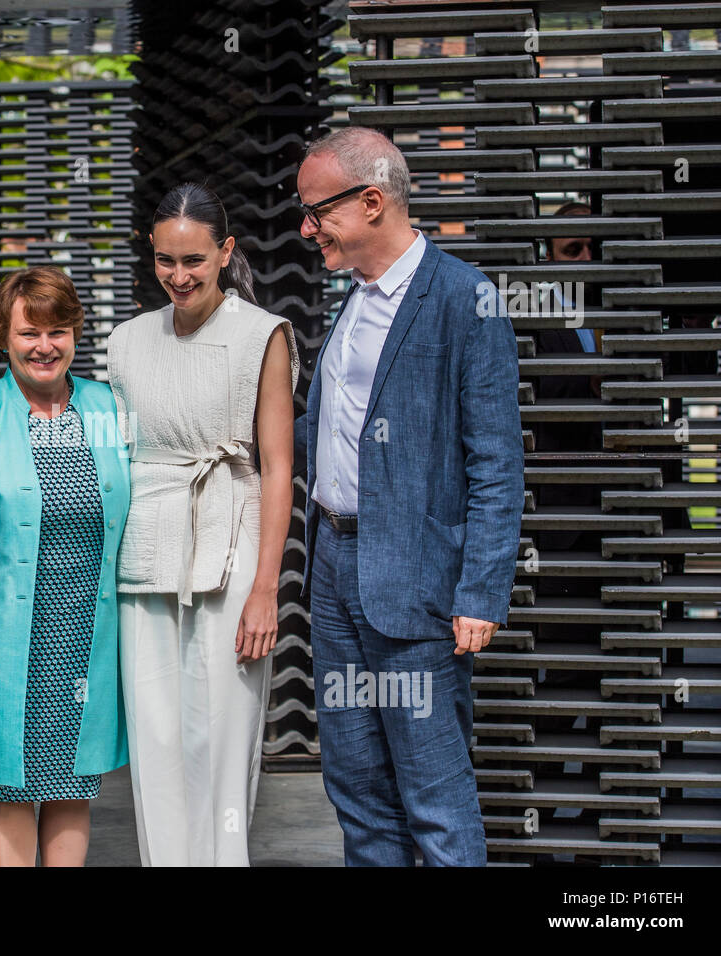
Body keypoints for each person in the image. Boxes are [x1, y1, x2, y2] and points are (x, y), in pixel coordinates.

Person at [292, 127, 524, 866]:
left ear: (370, 201)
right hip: (333, 572)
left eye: (315, 210)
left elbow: (496, 460)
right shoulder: (353, 300)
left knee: (434, 797)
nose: (306, 228)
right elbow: (330, 432)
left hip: (417, 582)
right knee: (357, 791)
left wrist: (482, 593)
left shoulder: (465, 298)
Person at [106, 183, 299, 866]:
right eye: (165, 261)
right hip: (145, 544)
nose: (179, 277)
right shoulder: (125, 343)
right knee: (154, 735)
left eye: (193, 259)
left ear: (226, 252)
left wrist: (267, 588)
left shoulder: (262, 334)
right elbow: (103, 446)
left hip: (232, 537)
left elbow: (277, 467)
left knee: (220, 733)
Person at [0, 267, 130, 866]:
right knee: (8, 781)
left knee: (73, 778)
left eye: (59, 331)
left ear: (75, 335)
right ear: (2, 337)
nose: (45, 346)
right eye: (29, 333)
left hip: (85, 632)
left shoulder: (107, 407)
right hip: (1, 633)